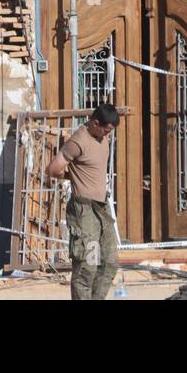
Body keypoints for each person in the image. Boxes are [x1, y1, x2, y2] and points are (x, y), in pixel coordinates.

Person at [47, 103, 120, 300]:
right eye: (106, 129)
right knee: (88, 266)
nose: (108, 134)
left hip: (101, 209)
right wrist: (73, 177)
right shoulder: (78, 141)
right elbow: (53, 169)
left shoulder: (102, 136)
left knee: (110, 262)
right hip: (84, 211)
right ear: (95, 123)